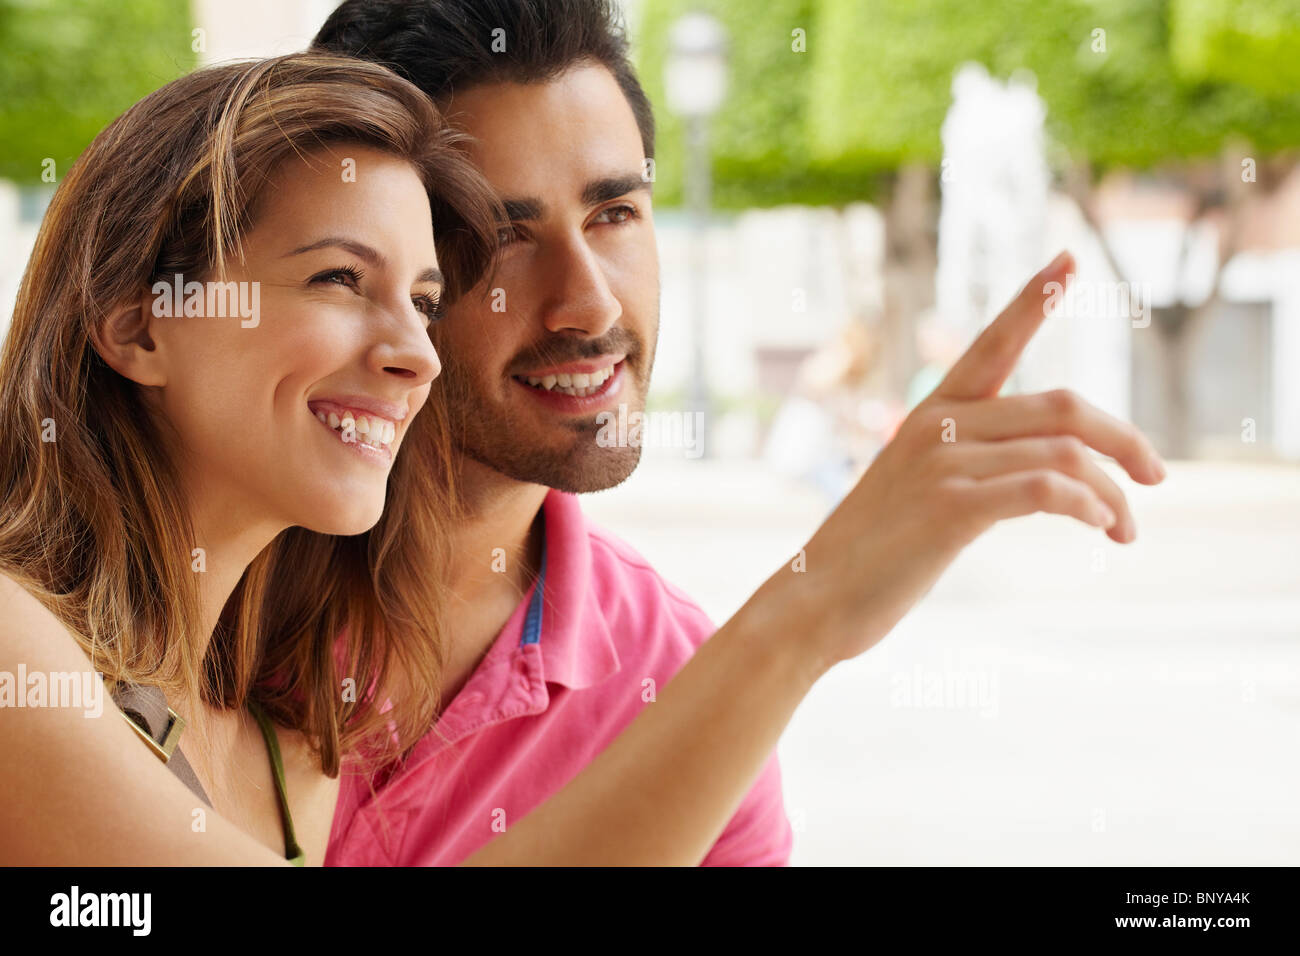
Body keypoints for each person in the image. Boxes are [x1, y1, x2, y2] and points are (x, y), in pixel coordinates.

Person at [310, 0, 1164, 866]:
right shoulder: (211, 589)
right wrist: (804, 618)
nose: (592, 301)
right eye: (503, 235)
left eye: (615, 215)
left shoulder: (678, 678)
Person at [0, 52, 501, 864]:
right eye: (339, 277)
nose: (421, 355)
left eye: (424, 303)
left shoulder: (296, 758)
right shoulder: (13, 646)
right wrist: (778, 635)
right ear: (138, 327)